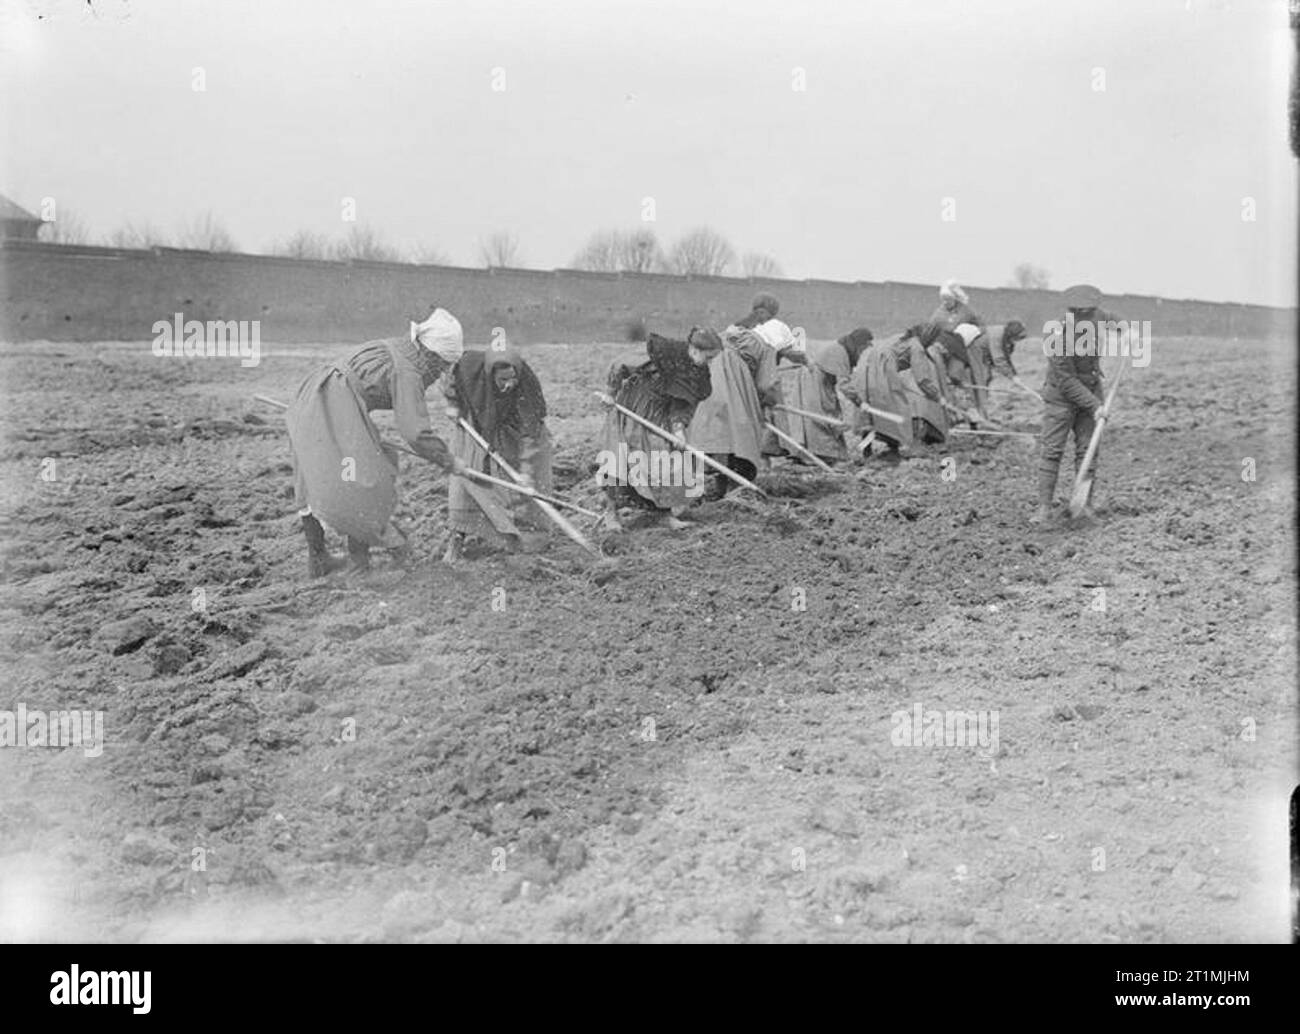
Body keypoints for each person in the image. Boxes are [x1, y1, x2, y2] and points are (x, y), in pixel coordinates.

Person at [286, 307, 464, 577]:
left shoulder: (398, 347)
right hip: (335, 402)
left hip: (313, 394)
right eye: (441, 365)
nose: (442, 372)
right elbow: (415, 432)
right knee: (366, 479)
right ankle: (360, 565)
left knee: (311, 476)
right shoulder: (409, 371)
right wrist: (448, 459)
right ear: (430, 354)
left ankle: (319, 558)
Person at [597, 327, 718, 530]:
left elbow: (682, 404)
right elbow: (620, 364)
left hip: (659, 416)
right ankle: (611, 514)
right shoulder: (661, 352)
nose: (710, 362)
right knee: (621, 460)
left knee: (665, 461)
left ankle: (662, 514)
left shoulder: (697, 373)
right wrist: (610, 392)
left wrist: (678, 429)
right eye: (709, 357)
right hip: (632, 408)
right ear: (695, 350)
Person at [442, 347, 552, 562]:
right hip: (475, 428)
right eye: (502, 380)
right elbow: (450, 380)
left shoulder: (526, 385)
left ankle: (523, 541)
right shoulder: (469, 367)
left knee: (526, 487)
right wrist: (453, 404)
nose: (508, 385)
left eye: (512, 379)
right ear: (489, 374)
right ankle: (456, 541)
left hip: (514, 433)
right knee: (465, 479)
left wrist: (527, 473)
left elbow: (530, 430)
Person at [1031, 284, 1119, 524]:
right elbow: (1067, 381)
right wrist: (1095, 405)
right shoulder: (1057, 335)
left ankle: (1085, 505)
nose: (1088, 317)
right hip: (1061, 398)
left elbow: (1115, 321)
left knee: (1088, 451)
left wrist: (1129, 335)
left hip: (1090, 390)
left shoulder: (1097, 317)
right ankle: (1044, 509)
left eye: (1090, 312)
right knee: (1052, 450)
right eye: (1082, 313)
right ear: (1073, 312)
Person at [688, 323, 779, 499]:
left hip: (710, 381)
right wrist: (766, 404)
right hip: (733, 381)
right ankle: (733, 487)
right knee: (739, 433)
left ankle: (717, 483)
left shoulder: (730, 337)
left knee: (714, 429)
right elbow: (765, 385)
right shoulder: (767, 347)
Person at [777, 328, 873, 465]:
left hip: (821, 382)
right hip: (814, 381)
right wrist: (859, 401)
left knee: (826, 415)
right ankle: (820, 456)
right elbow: (844, 384)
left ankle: (823, 455)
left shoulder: (844, 348)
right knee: (821, 417)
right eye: (863, 347)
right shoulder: (840, 352)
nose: (863, 351)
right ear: (859, 344)